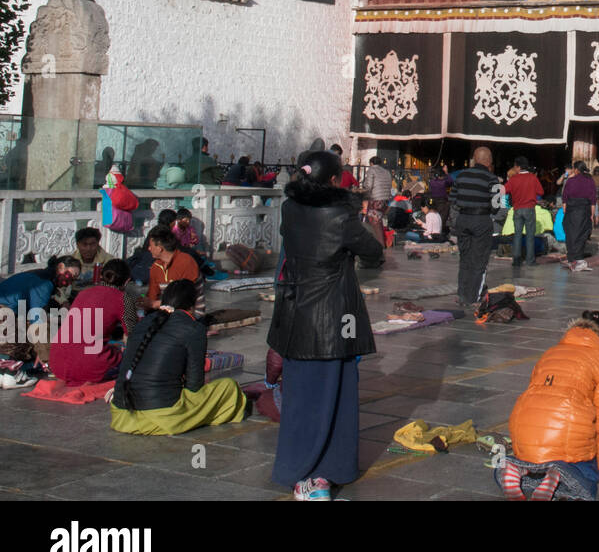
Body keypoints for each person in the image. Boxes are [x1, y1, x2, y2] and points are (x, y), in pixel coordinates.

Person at [269, 149, 383, 501]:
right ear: (334, 181)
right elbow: (374, 253)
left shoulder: (289, 209)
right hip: (336, 317)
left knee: (301, 397)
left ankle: (305, 468)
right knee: (337, 393)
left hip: (295, 313)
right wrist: (367, 219)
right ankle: (322, 470)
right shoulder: (341, 216)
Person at [500, 310, 599, 500]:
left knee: (540, 454)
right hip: (563, 430)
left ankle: (517, 468)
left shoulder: (550, 353)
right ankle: (555, 476)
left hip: (522, 430)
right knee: (589, 470)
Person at [110, 279, 245, 435]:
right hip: (162, 415)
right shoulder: (194, 328)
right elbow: (194, 386)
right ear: (192, 306)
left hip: (122, 414)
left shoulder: (143, 323)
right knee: (229, 388)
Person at [50, 259, 129, 384]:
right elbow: (133, 336)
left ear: (101, 276)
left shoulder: (83, 293)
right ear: (127, 281)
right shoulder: (123, 299)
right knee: (129, 359)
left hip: (56, 363)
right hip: (86, 366)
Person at [453, 146, 498, 307]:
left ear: (474, 159)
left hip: (463, 218)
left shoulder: (461, 176)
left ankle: (462, 293)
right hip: (481, 219)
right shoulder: (492, 179)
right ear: (489, 161)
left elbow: (453, 198)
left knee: (465, 257)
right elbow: (496, 206)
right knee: (479, 260)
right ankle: (474, 296)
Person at [145, 225, 202, 315]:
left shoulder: (186, 262)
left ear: (159, 248)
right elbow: (152, 295)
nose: (149, 248)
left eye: (150, 245)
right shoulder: (155, 267)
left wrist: (155, 304)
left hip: (189, 314)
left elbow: (185, 300)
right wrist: (146, 303)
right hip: (167, 312)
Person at [504, 156, 544, 268]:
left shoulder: (513, 179)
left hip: (517, 209)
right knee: (530, 235)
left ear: (518, 167)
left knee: (517, 235)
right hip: (529, 209)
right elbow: (541, 191)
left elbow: (504, 190)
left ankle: (516, 260)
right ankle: (530, 260)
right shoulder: (532, 178)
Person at [562, 162, 598, 271]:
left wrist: (565, 211)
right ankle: (578, 258)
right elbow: (592, 200)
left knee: (571, 235)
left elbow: (564, 198)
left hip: (571, 210)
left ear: (576, 169)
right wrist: (592, 215)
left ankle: (571, 259)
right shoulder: (590, 181)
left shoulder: (570, 181)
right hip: (584, 211)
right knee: (582, 235)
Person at [359, 157, 394, 252]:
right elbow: (390, 185)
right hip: (385, 199)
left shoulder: (372, 170)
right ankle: (373, 242)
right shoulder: (386, 171)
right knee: (376, 221)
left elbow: (369, 185)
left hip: (376, 199)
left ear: (371, 163)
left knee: (375, 222)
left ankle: (380, 244)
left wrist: (364, 188)